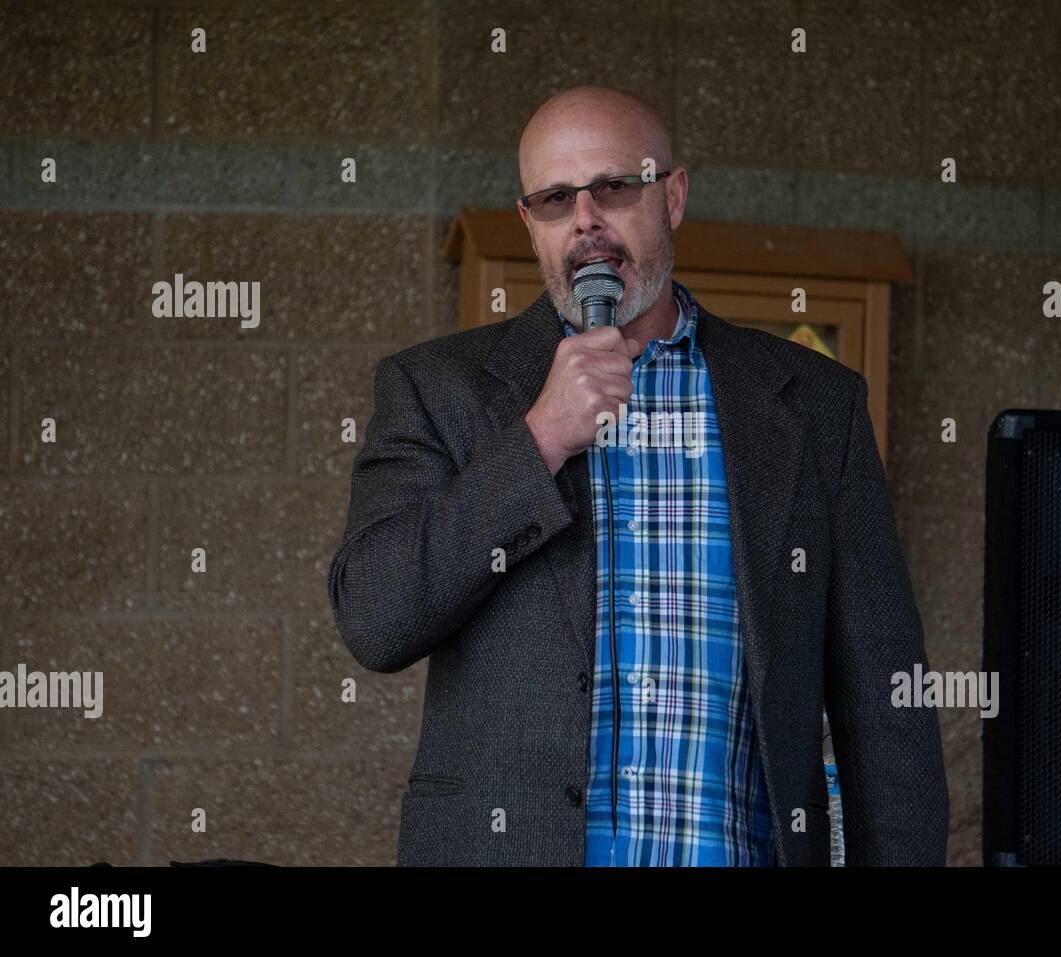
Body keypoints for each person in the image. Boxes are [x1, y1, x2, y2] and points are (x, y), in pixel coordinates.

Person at [327, 85, 948, 866]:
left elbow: (886, 704)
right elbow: (375, 617)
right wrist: (541, 439)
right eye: (555, 198)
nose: (585, 219)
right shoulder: (436, 389)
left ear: (673, 196)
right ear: (530, 224)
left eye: (615, 187)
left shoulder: (815, 407)